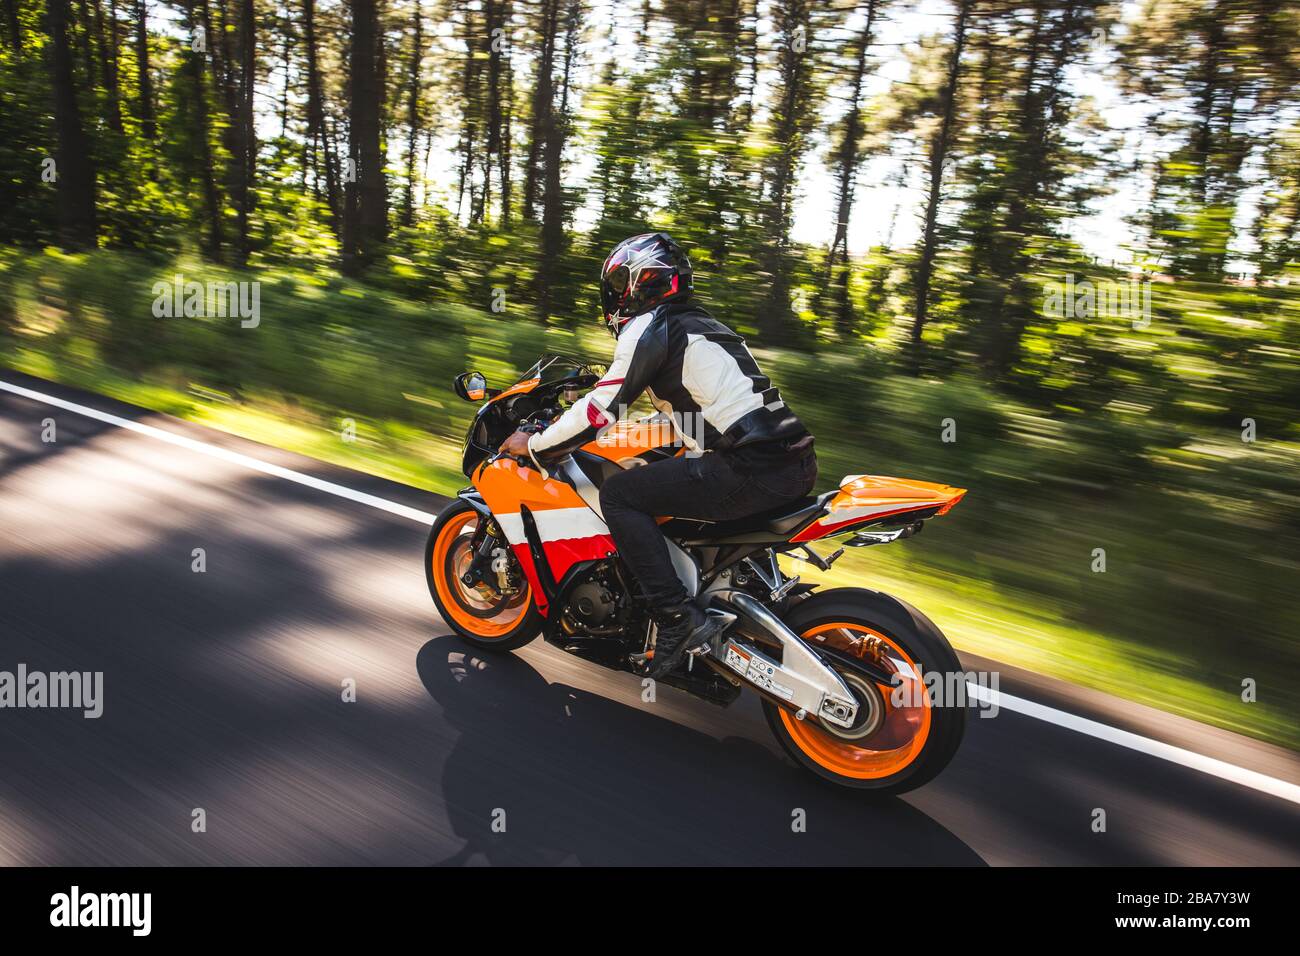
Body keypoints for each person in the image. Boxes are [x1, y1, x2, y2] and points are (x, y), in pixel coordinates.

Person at [500, 232, 817, 677]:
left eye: (615, 284)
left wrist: (534, 445)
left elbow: (599, 409)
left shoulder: (650, 327)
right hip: (793, 462)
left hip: (749, 468)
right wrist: (634, 434)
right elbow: (698, 414)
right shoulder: (705, 326)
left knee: (622, 496)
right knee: (674, 483)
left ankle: (675, 617)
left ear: (635, 284)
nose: (612, 296)